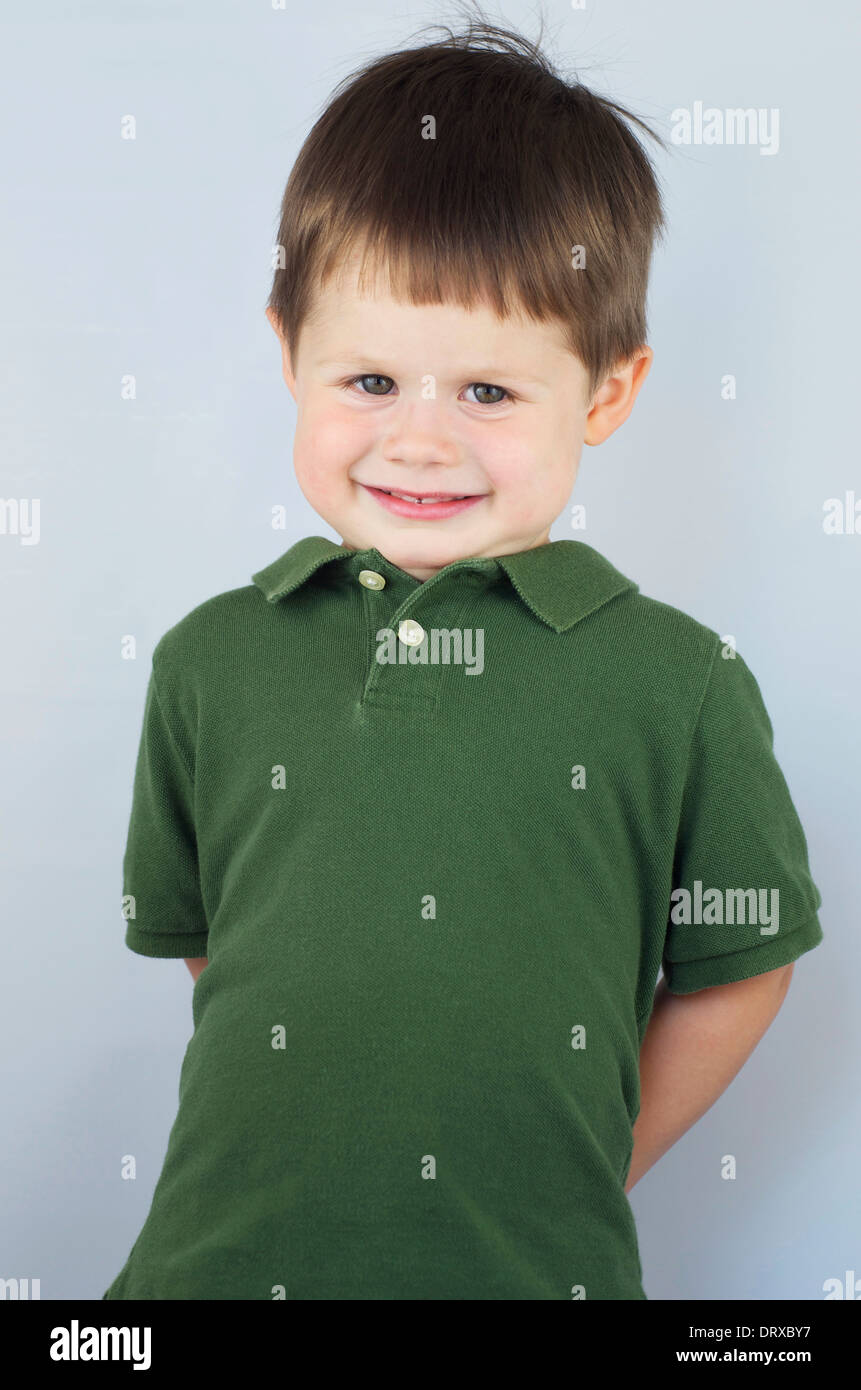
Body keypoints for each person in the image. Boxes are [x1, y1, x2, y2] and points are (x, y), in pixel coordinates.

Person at [102, 14, 823, 1300]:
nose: (420, 443)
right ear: (289, 355)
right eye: (370, 380)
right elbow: (222, 946)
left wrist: (591, 1160)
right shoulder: (209, 660)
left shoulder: (679, 682)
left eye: (487, 393)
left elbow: (743, 961)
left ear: (606, 393)